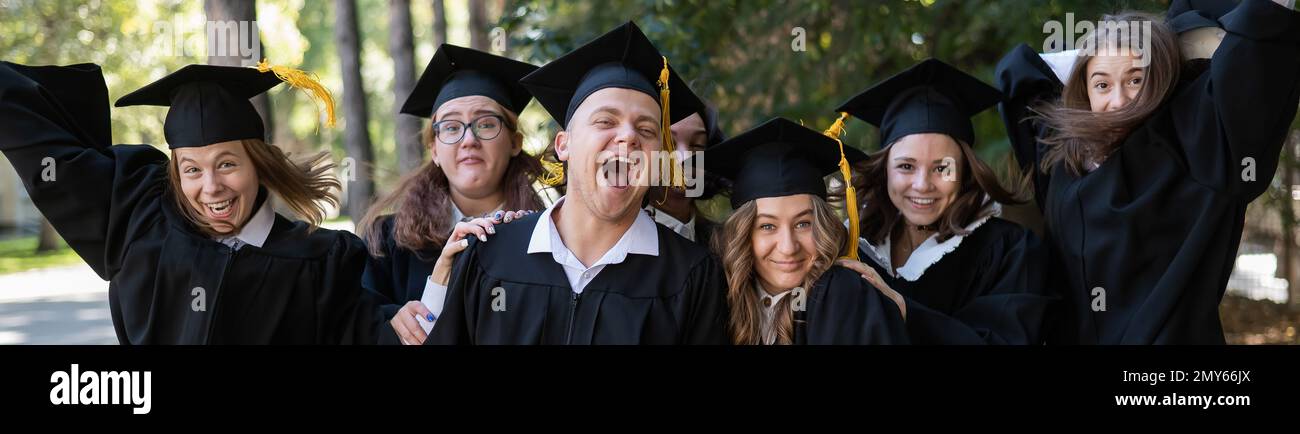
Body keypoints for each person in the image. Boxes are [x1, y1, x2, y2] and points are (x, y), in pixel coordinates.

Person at [0, 61, 374, 344]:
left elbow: (374, 329)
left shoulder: (321, 262)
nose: (211, 187)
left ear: (259, 164)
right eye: (191, 169)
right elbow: (44, 149)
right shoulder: (136, 215)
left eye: (227, 164)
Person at [996, 0, 1300, 343]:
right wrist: (1106, 44)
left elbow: (1253, 59)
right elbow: (1019, 75)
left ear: (1160, 82)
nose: (1119, 100)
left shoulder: (1192, 155)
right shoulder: (1063, 160)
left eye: (1135, 79)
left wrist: (1178, 49)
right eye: (1102, 85)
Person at [425, 21, 729, 344]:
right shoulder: (488, 258)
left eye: (647, 130)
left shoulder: (691, 277)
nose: (627, 136)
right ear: (563, 145)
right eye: (605, 121)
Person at [832, 59, 1053, 344]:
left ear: (965, 172)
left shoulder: (1010, 252)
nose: (923, 185)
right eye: (906, 167)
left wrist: (905, 312)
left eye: (941, 168)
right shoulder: (852, 247)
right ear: (884, 169)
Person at [358, 44, 545, 345]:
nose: (469, 139)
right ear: (434, 148)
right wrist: (390, 321)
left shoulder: (548, 238)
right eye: (451, 127)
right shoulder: (386, 242)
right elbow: (356, 322)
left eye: (486, 124)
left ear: (514, 142)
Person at [706, 118, 907, 345]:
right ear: (742, 235)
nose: (789, 247)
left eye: (803, 224)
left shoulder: (840, 293)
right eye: (767, 226)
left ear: (822, 226)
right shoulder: (720, 299)